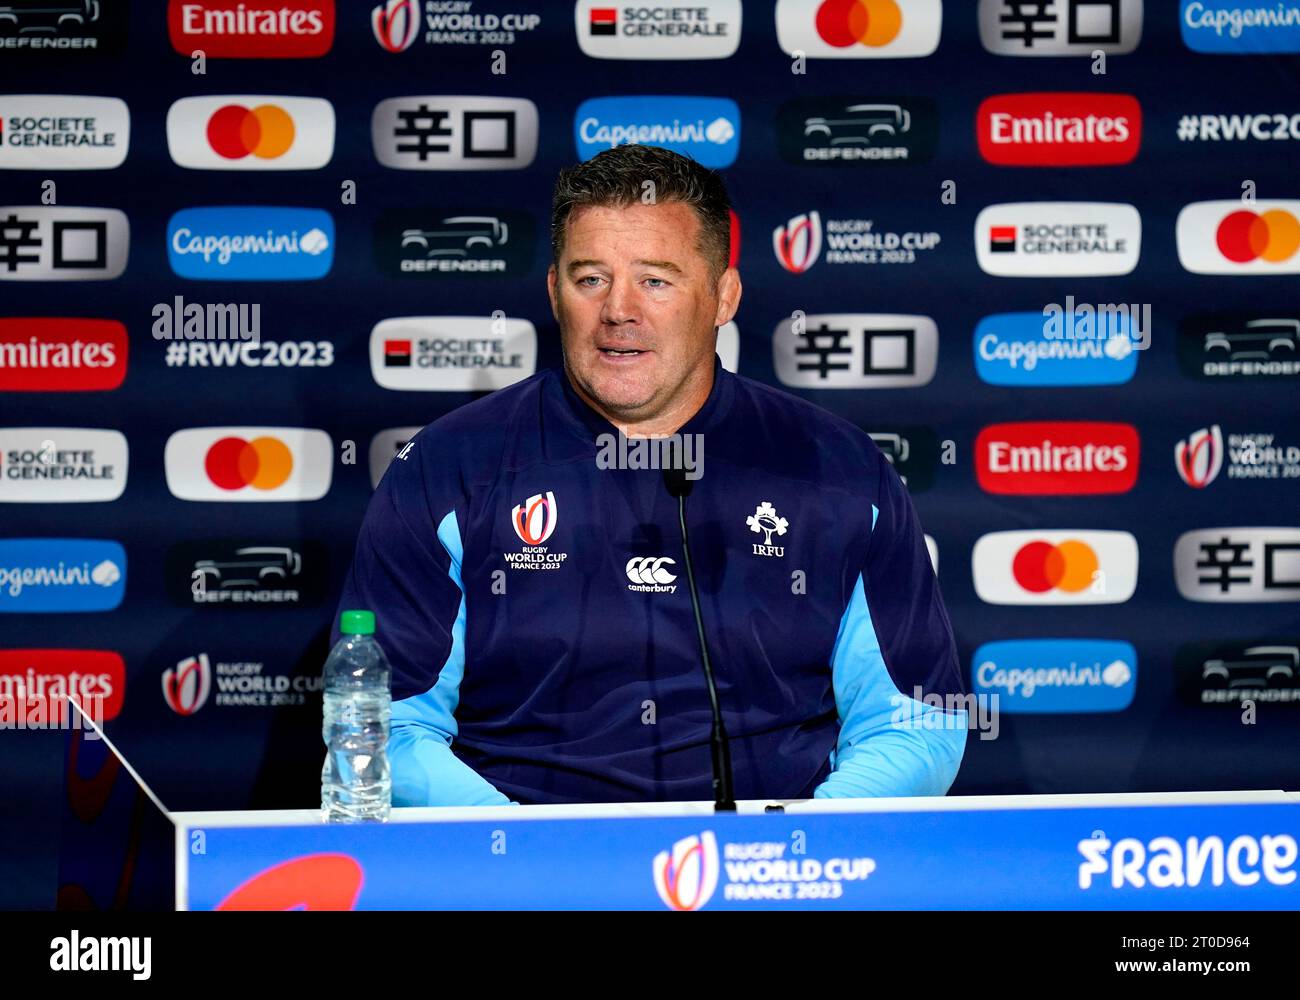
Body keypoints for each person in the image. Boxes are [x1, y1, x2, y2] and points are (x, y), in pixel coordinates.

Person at [334, 143, 968, 806]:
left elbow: (915, 723)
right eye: (590, 279)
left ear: (724, 296)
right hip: (528, 867)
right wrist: (526, 854)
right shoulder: (446, 468)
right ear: (554, 291)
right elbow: (385, 726)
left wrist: (790, 850)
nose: (618, 311)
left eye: (656, 280)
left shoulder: (837, 469)